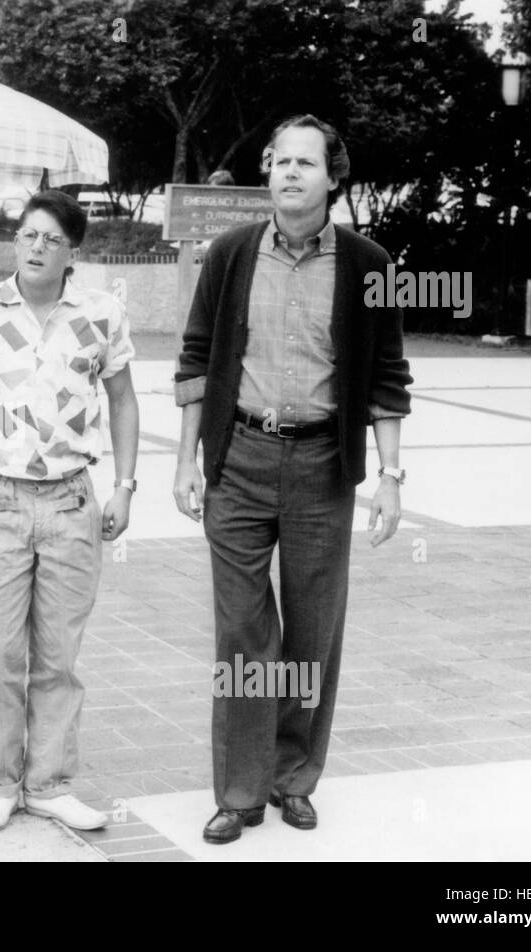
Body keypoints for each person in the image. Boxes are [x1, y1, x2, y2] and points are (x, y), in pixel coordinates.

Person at [171, 114, 412, 844]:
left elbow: (388, 380)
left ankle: (293, 775)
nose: (289, 174)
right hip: (238, 460)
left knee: (311, 632)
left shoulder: (370, 265)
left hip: (321, 467)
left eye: (306, 163)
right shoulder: (231, 254)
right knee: (244, 635)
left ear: (333, 177)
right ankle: (240, 791)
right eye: (279, 161)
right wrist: (185, 459)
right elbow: (195, 357)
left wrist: (392, 476)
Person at [0, 190, 140, 833]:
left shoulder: (102, 314)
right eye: (28, 234)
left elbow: (124, 401)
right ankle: (0, 783)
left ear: (71, 250)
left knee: (57, 657)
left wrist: (126, 484)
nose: (36, 247)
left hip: (70, 502)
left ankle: (50, 783)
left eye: (52, 239)